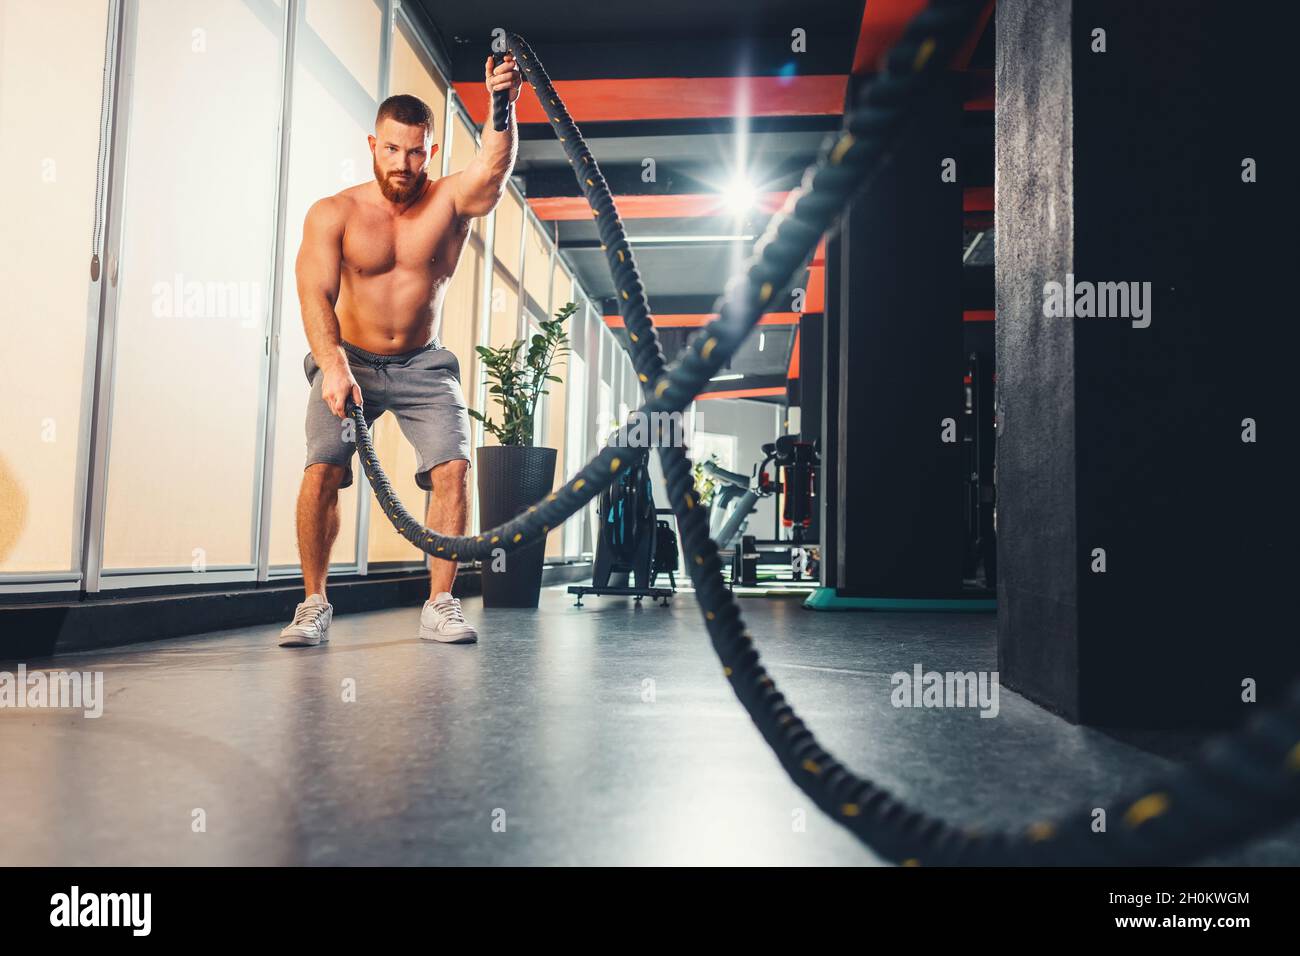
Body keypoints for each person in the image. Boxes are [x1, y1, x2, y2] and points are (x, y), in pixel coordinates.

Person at [279, 54, 523, 648]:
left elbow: (491, 170)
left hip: (422, 362)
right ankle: (313, 603)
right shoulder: (334, 212)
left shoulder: (446, 202)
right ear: (373, 143)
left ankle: (441, 603)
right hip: (350, 357)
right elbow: (314, 293)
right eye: (392, 149)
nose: (403, 163)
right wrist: (332, 363)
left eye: (416, 151)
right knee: (322, 468)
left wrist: (501, 105)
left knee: (454, 468)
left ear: (431, 152)